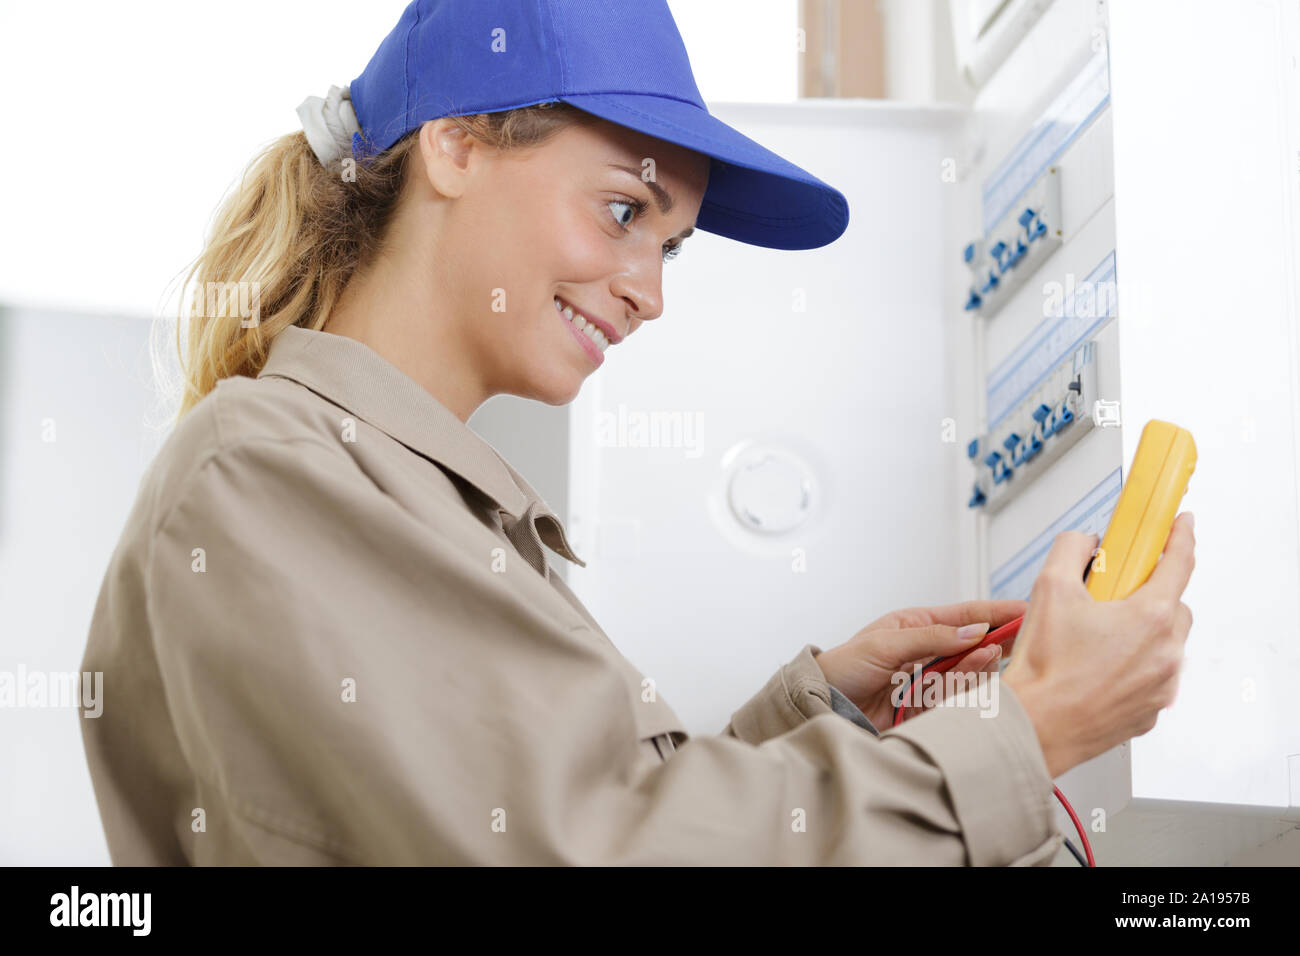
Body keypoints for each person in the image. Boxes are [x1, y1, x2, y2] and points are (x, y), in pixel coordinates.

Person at [79, 0, 1196, 865]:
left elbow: (557, 817)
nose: (648, 292)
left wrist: (823, 715)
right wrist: (1027, 729)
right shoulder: (275, 472)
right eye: (624, 212)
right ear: (457, 144)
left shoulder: (398, 486)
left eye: (669, 247)